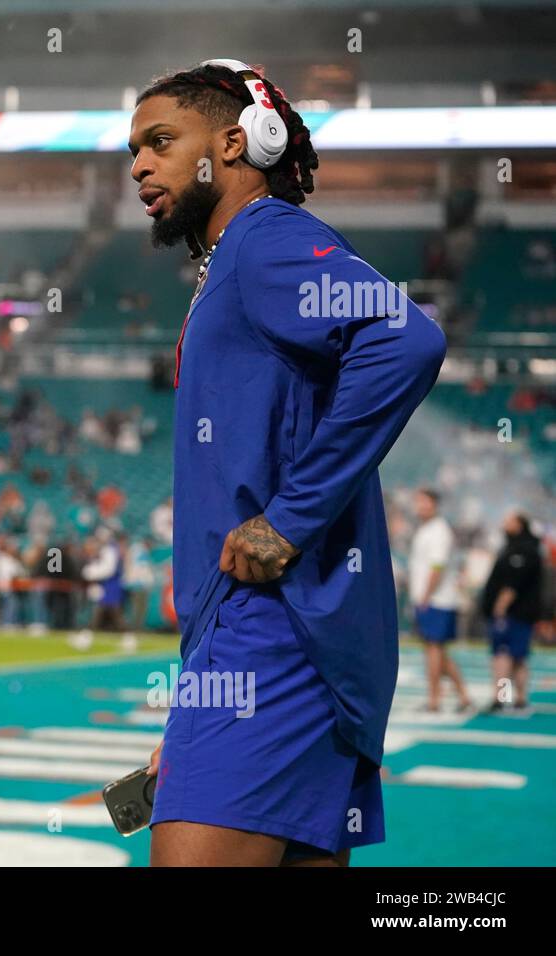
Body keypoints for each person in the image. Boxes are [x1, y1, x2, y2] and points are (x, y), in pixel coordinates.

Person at [132, 60, 446, 866]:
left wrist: (291, 518)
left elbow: (405, 338)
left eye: (161, 142)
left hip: (272, 634)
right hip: (281, 639)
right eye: (135, 151)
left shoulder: (263, 240)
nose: (139, 165)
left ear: (237, 143)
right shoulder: (237, 259)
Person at [408, 488, 471, 713]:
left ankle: (434, 699)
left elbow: (437, 567)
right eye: (418, 502)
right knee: (438, 652)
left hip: (437, 599)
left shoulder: (439, 531)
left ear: (434, 504)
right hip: (430, 598)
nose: (419, 506)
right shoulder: (426, 529)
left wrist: (426, 596)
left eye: (424, 502)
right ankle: (463, 696)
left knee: (434, 650)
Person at [481, 511, 544, 713]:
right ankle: (520, 698)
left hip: (513, 613)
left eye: (509, 521)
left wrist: (500, 607)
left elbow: (514, 583)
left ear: (519, 524)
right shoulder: (523, 547)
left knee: (503, 654)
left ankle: (502, 698)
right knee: (517, 656)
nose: (504, 524)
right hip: (519, 614)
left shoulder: (522, 550)